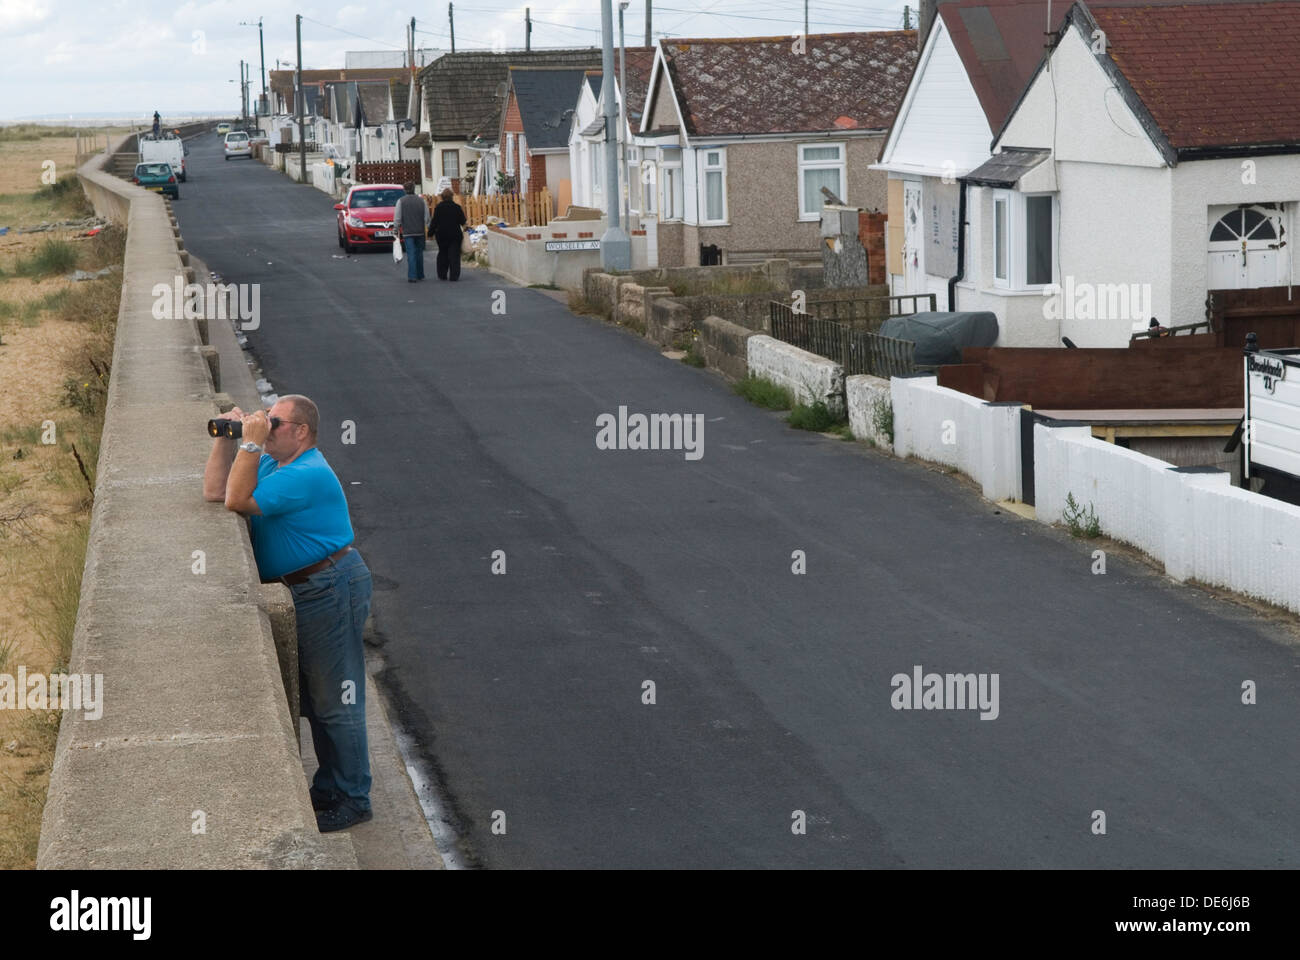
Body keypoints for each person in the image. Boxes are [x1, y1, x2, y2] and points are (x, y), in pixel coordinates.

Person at [202, 395, 374, 833]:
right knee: (317, 703)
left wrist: (250, 444)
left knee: (336, 700)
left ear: (301, 431)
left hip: (329, 586)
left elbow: (235, 501)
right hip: (308, 587)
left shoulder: (306, 472)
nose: (266, 424)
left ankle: (354, 798)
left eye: (274, 422)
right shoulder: (275, 465)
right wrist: (228, 439)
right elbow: (215, 491)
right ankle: (329, 785)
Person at [393, 181, 429, 283]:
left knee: (411, 254)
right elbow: (427, 217)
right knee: (419, 253)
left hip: (408, 232)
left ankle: (412, 276)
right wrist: (429, 227)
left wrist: (395, 230)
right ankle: (420, 274)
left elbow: (397, 218)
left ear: (404, 190)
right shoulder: (422, 201)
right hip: (420, 231)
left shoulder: (401, 201)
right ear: (414, 189)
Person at [429, 187, 467, 281]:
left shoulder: (438, 208)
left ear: (442, 197)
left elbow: (434, 222)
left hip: (442, 235)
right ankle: (454, 276)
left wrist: (430, 233)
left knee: (443, 254)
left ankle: (442, 274)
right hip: (455, 235)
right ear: (451, 197)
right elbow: (462, 221)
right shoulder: (457, 208)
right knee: (454, 255)